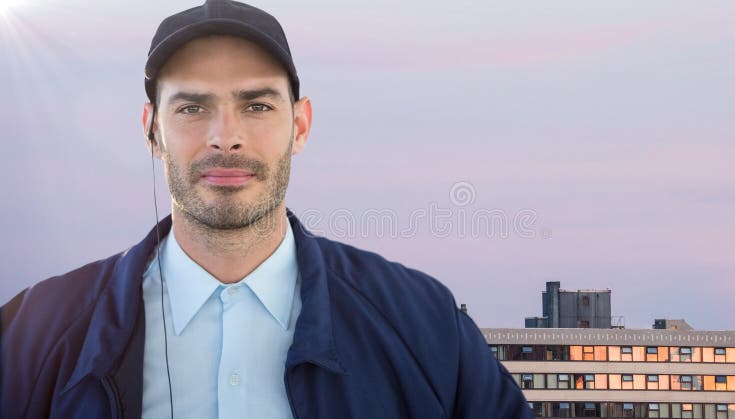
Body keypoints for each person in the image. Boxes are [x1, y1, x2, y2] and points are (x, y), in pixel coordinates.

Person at [0, 1, 533, 418]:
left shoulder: (424, 324)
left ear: (299, 126)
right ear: (151, 130)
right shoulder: (32, 335)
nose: (225, 137)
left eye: (256, 106)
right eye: (191, 107)